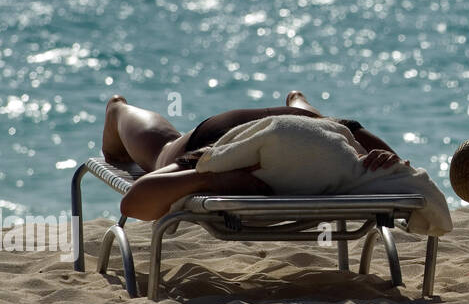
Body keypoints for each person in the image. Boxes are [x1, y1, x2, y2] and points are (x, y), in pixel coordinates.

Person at [101, 91, 411, 220]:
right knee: (164, 150)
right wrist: (212, 177)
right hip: (227, 136)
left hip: (302, 126)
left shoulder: (337, 148)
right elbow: (134, 203)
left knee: (318, 125)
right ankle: (118, 110)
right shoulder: (222, 158)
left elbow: (351, 131)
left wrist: (387, 159)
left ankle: (298, 103)